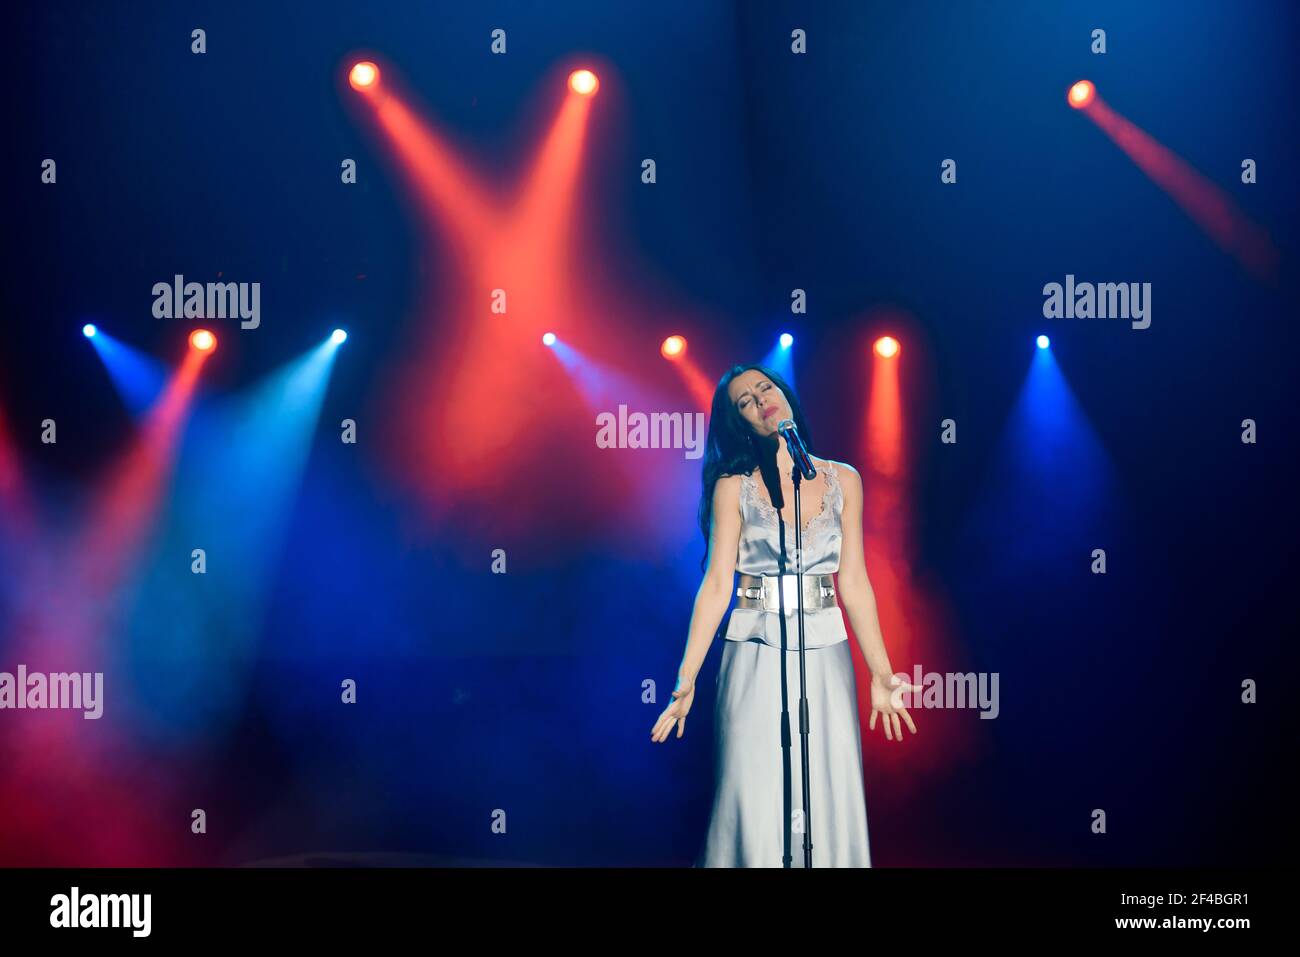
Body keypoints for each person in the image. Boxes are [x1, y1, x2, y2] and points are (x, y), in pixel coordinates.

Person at [650, 364, 918, 867]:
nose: (760, 401)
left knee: (825, 784)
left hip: (824, 651)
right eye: (745, 402)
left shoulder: (844, 480)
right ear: (740, 423)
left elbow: (854, 581)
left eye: (765, 388)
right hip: (753, 648)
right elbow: (716, 585)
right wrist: (686, 678)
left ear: (785, 394)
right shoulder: (734, 487)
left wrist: (882, 674)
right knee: (752, 785)